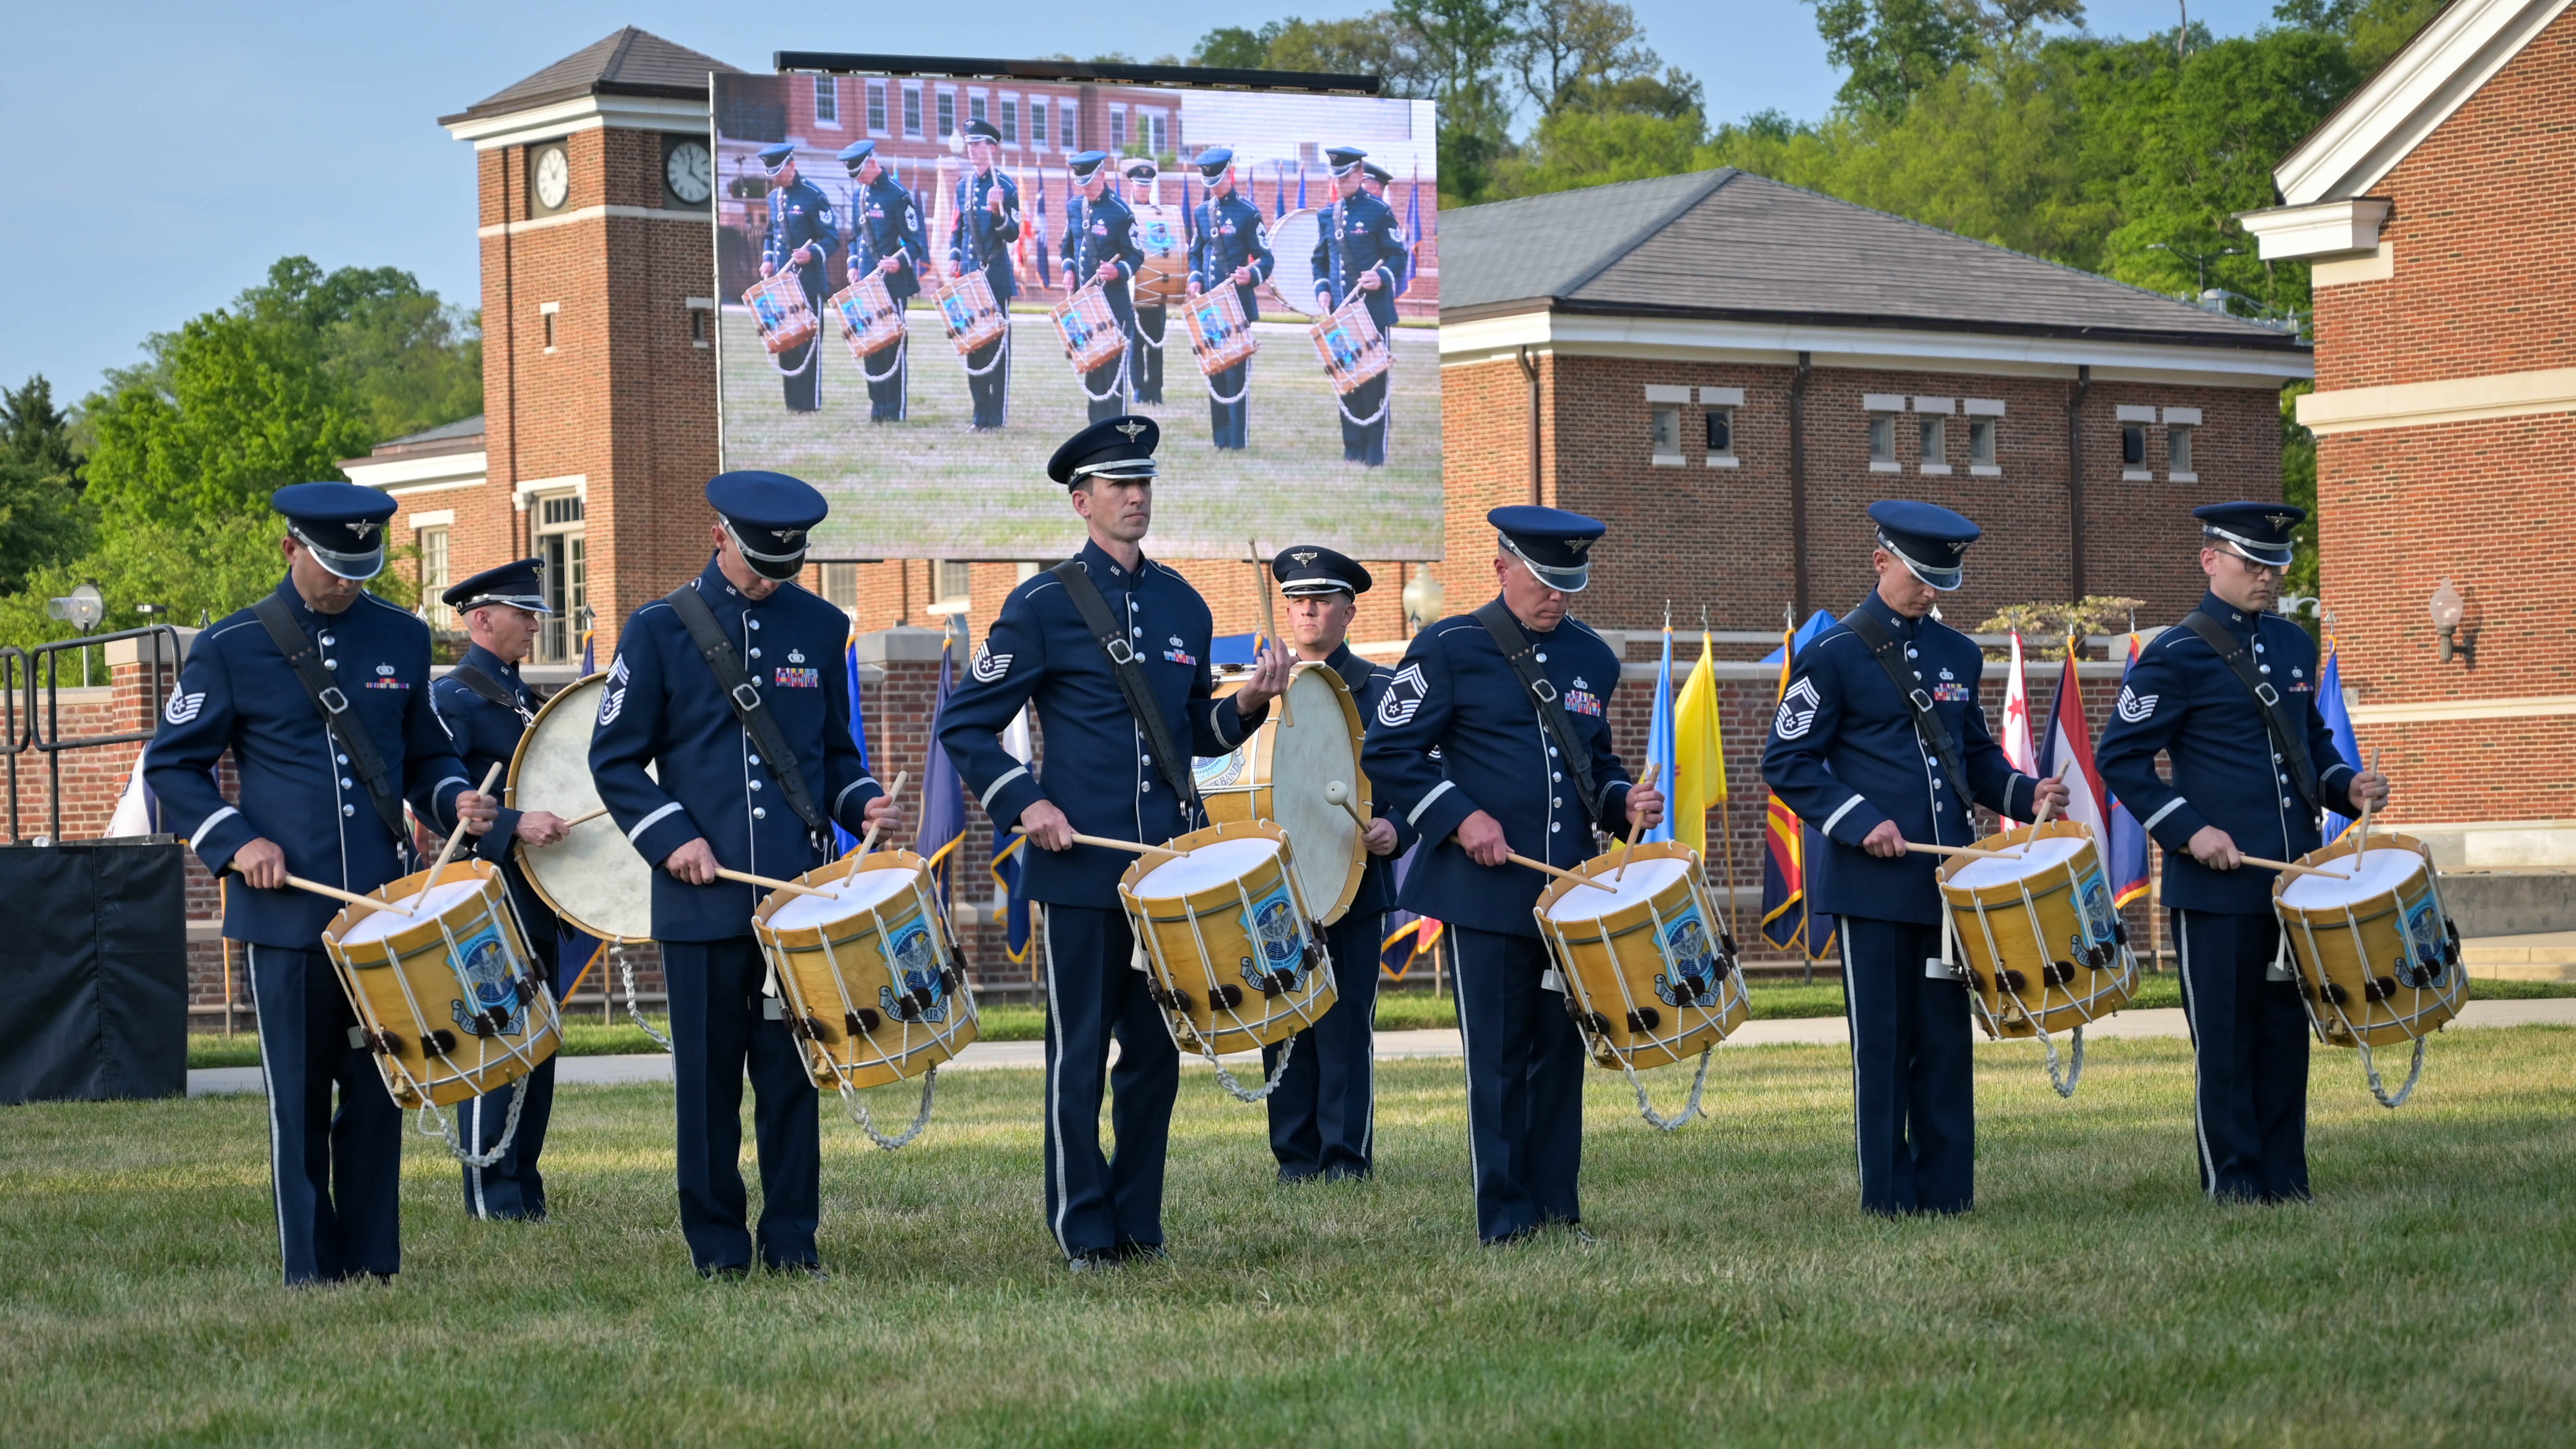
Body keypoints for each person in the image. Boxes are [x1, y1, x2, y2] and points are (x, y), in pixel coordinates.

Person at [934, 416, 1289, 1269]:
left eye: (1144, 482)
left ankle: (1137, 1219)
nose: (1135, 497)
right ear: (1081, 499)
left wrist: (1244, 705)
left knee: (1155, 1060)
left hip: (1167, 874)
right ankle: (1081, 1224)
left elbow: (1189, 733)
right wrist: (1025, 804)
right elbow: (965, 724)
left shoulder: (1183, 603)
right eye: (1117, 485)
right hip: (1078, 871)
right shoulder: (1041, 606)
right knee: (1080, 1054)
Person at [144, 482, 497, 1285]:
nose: (349, 584)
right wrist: (235, 841)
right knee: (298, 1101)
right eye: (336, 567)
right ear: (290, 550)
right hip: (286, 919)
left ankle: (373, 1262)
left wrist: (453, 800)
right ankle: (310, 1267)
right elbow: (173, 768)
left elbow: (426, 756)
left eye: (361, 568)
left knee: (379, 1096)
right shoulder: (231, 647)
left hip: (382, 913)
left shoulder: (402, 638)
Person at [588, 472, 902, 1278]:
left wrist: (863, 801)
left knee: (793, 1080)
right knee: (707, 1089)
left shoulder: (821, 625)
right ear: (719, 535)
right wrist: (671, 839)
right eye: (760, 561)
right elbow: (616, 761)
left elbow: (832, 754)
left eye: (784, 565)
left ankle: (794, 1243)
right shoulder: (658, 630)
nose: (771, 578)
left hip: (796, 900)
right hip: (700, 900)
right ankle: (719, 1249)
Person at [1361, 506, 1666, 1243]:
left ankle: (1557, 1211)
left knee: (1559, 1058)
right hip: (1483, 891)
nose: (1556, 596)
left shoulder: (1593, 657)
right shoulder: (1449, 647)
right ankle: (1505, 1218)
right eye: (1542, 579)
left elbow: (1594, 764)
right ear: (1502, 568)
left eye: (1569, 582)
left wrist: (1626, 798)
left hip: (1566, 892)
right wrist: (1461, 816)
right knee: (1498, 1060)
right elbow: (1389, 751)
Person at [1759, 502, 2067, 1218]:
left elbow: (1975, 760)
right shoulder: (1832, 653)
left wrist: (2028, 794)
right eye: (1920, 576)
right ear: (1880, 561)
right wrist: (1858, 821)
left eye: (1942, 580)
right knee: (1884, 1047)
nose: (1930, 591)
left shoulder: (1960, 655)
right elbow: (1788, 760)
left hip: (1948, 885)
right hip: (1870, 885)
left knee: (1944, 1043)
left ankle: (1947, 1194)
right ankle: (1888, 1199)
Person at [2096, 502, 2385, 1204]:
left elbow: (2309, 748)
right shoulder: (2176, 654)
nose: (2267, 578)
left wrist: (2349, 784)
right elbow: (2122, 758)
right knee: (2227, 1045)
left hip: (2293, 884)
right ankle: (2234, 1185)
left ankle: (2286, 1181)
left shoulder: (2290, 644)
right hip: (2215, 889)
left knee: (2286, 1037)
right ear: (2210, 560)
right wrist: (2188, 830)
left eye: (2276, 566)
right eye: (2252, 564)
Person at [425, 558, 573, 1221]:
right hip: (486, 899)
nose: (535, 628)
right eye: (524, 615)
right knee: (494, 1046)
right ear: (482, 620)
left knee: (535, 1046)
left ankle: (525, 1190)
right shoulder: (453, 699)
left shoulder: (525, 701)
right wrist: (515, 826)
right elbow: (438, 805)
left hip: (538, 898)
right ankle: (492, 1195)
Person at [1260, 546, 1408, 1181]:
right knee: (1282, 1021)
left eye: (1320, 600)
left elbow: (1409, 772)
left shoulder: (1381, 689)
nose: (1307, 611)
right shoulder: (1260, 691)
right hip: (1277, 885)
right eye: (1296, 600)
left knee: (1344, 1029)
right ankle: (1295, 1160)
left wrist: (1395, 828)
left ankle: (1345, 1160)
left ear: (1349, 610)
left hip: (1353, 880)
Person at [1309, 145, 1405, 467]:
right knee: (1347, 383)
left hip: (1373, 314)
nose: (1340, 182)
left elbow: (1397, 255)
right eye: (1335, 176)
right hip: (1340, 315)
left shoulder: (1379, 211)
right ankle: (1352, 452)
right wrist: (1323, 291)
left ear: (1360, 174)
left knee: (1374, 384)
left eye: (1346, 175)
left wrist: (1382, 278)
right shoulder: (1327, 215)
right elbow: (1320, 261)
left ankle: (1374, 455)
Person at [1186, 147, 1273, 451]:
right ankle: (1220, 440)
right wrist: (1195, 276)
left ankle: (1238, 441)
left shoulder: (1247, 213)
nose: (1212, 186)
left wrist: (1252, 275)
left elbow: (1266, 258)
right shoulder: (1201, 212)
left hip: (1237, 307)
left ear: (1229, 174)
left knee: (1236, 376)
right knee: (1215, 373)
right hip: (1209, 310)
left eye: (1216, 179)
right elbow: (1196, 253)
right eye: (1207, 180)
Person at [839, 139, 927, 424]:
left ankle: (894, 409)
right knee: (871, 346)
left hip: (892, 285)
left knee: (892, 347)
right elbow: (854, 239)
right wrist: (853, 266)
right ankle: (877, 407)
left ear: (872, 164)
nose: (860, 181)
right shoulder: (859, 196)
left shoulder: (898, 196)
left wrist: (898, 262)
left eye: (861, 174)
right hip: (866, 285)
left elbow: (916, 244)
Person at [947, 118, 1022, 431]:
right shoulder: (963, 186)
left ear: (991, 147)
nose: (972, 150)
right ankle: (980, 414)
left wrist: (997, 212)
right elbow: (957, 231)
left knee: (997, 348)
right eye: (969, 145)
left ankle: (997, 415)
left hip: (995, 277)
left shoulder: (1005, 187)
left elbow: (1013, 234)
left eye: (978, 144)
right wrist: (954, 259)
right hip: (969, 279)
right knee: (973, 347)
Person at [755, 142, 838, 415]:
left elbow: (832, 238)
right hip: (782, 284)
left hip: (808, 283)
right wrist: (767, 259)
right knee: (786, 343)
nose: (776, 180)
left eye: (779, 173)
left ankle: (810, 404)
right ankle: (793, 404)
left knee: (809, 344)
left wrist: (811, 253)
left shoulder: (815, 196)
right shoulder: (775, 198)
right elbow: (770, 234)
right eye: (772, 176)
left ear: (792, 165)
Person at [1058, 150, 1141, 423]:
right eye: (1080, 184)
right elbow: (1067, 247)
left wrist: (1118, 271)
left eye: (1089, 183)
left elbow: (1137, 255)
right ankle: (1095, 432)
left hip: (1113, 306)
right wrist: (1069, 270)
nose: (1084, 189)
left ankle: (1116, 431)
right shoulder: (1074, 207)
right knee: (1092, 370)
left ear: (1103, 176)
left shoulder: (1120, 212)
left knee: (1113, 376)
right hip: (1085, 306)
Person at [1121, 157, 1168, 407]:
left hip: (1156, 286)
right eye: (1139, 185)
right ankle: (1138, 388)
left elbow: (1168, 250)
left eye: (1146, 185)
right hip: (1131, 288)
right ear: (1131, 186)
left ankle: (1156, 389)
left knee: (1156, 342)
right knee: (1135, 342)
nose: (1143, 189)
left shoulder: (1160, 215)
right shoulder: (1123, 213)